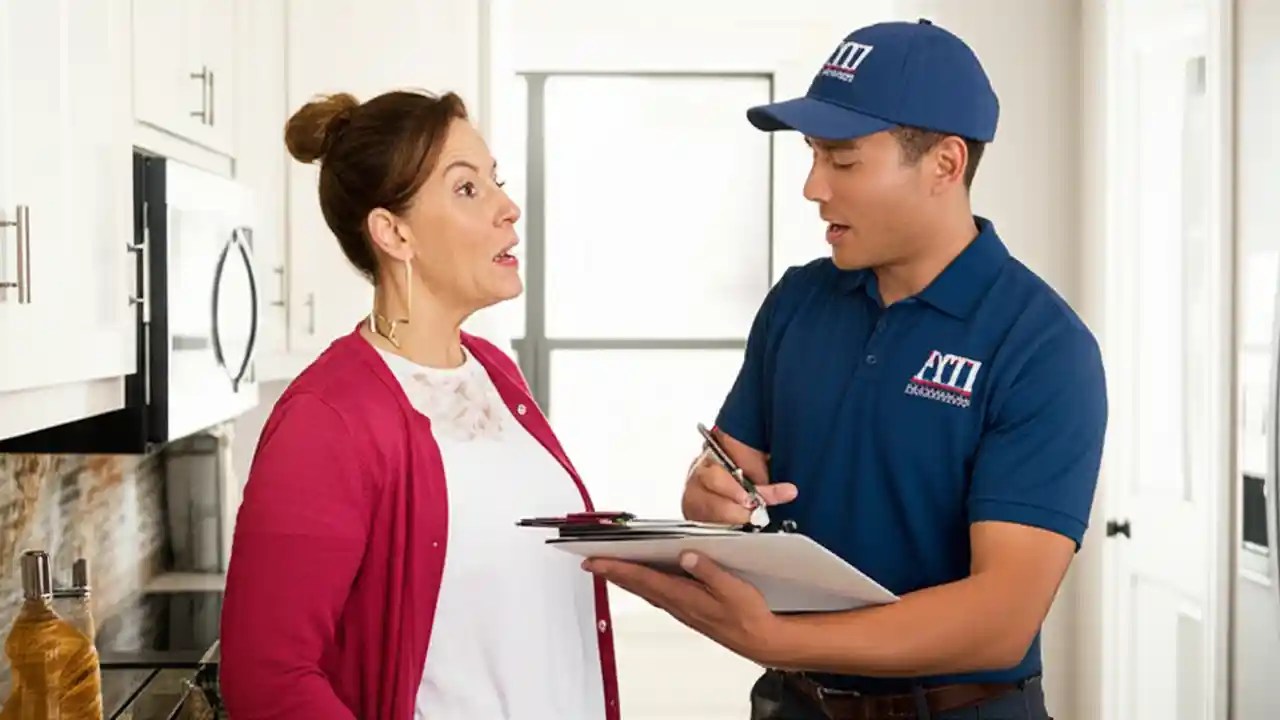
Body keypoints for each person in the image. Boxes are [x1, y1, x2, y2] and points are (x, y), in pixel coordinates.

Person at [583, 18, 1106, 720]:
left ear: (945, 164)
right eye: (811, 155)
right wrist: (710, 496)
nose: (812, 186)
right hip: (792, 704)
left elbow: (1001, 617)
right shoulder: (799, 300)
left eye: (844, 160)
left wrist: (778, 638)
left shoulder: (1041, 345)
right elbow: (725, 475)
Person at [219, 89, 620, 720]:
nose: (508, 208)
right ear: (394, 232)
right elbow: (268, 680)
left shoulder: (493, 372)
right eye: (467, 189)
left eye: (495, 181)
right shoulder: (326, 420)